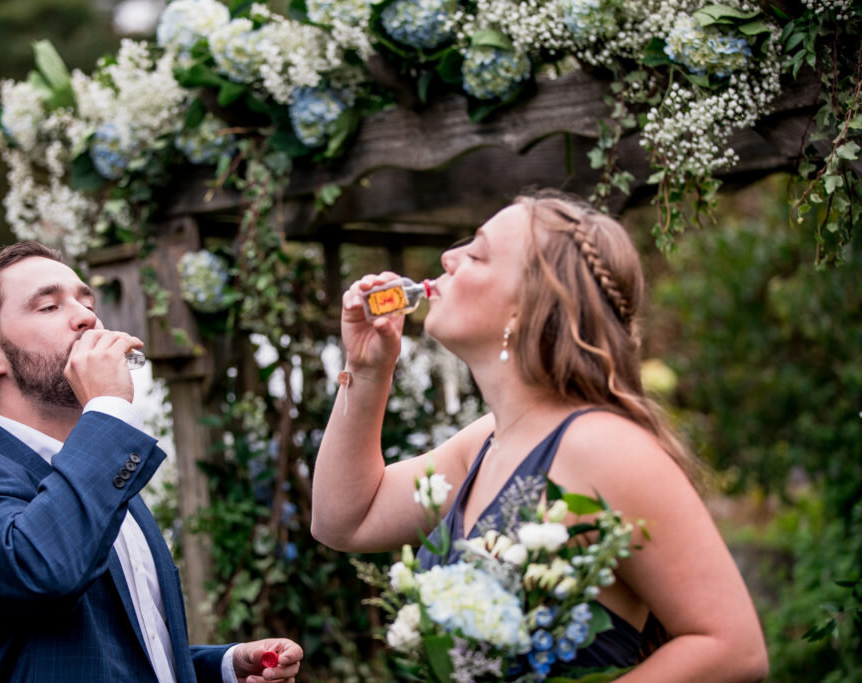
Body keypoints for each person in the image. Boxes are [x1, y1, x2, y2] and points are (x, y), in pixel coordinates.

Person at [311, 191, 769, 681]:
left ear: (525, 309)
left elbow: (733, 650)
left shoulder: (602, 447)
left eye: (478, 252)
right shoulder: (487, 443)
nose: (448, 256)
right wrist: (366, 369)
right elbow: (344, 521)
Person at [0, 241, 303, 682]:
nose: (86, 317)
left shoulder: (102, 473)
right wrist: (108, 408)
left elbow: (115, 652)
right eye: (49, 306)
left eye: (86, 301)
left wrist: (223, 667)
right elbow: (43, 573)